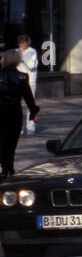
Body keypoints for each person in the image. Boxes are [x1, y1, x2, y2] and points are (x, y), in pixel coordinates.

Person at [0, 49, 39, 179]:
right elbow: (29, 97)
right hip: (14, 113)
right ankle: (8, 168)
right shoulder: (22, 77)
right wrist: (34, 112)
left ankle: (6, 168)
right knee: (11, 143)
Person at [16, 35, 37, 134]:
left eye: (23, 42)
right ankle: (19, 128)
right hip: (18, 81)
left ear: (28, 42)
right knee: (17, 105)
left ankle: (31, 128)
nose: (21, 45)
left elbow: (31, 66)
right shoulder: (16, 52)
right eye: (20, 42)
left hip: (30, 81)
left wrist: (23, 56)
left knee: (30, 105)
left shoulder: (32, 52)